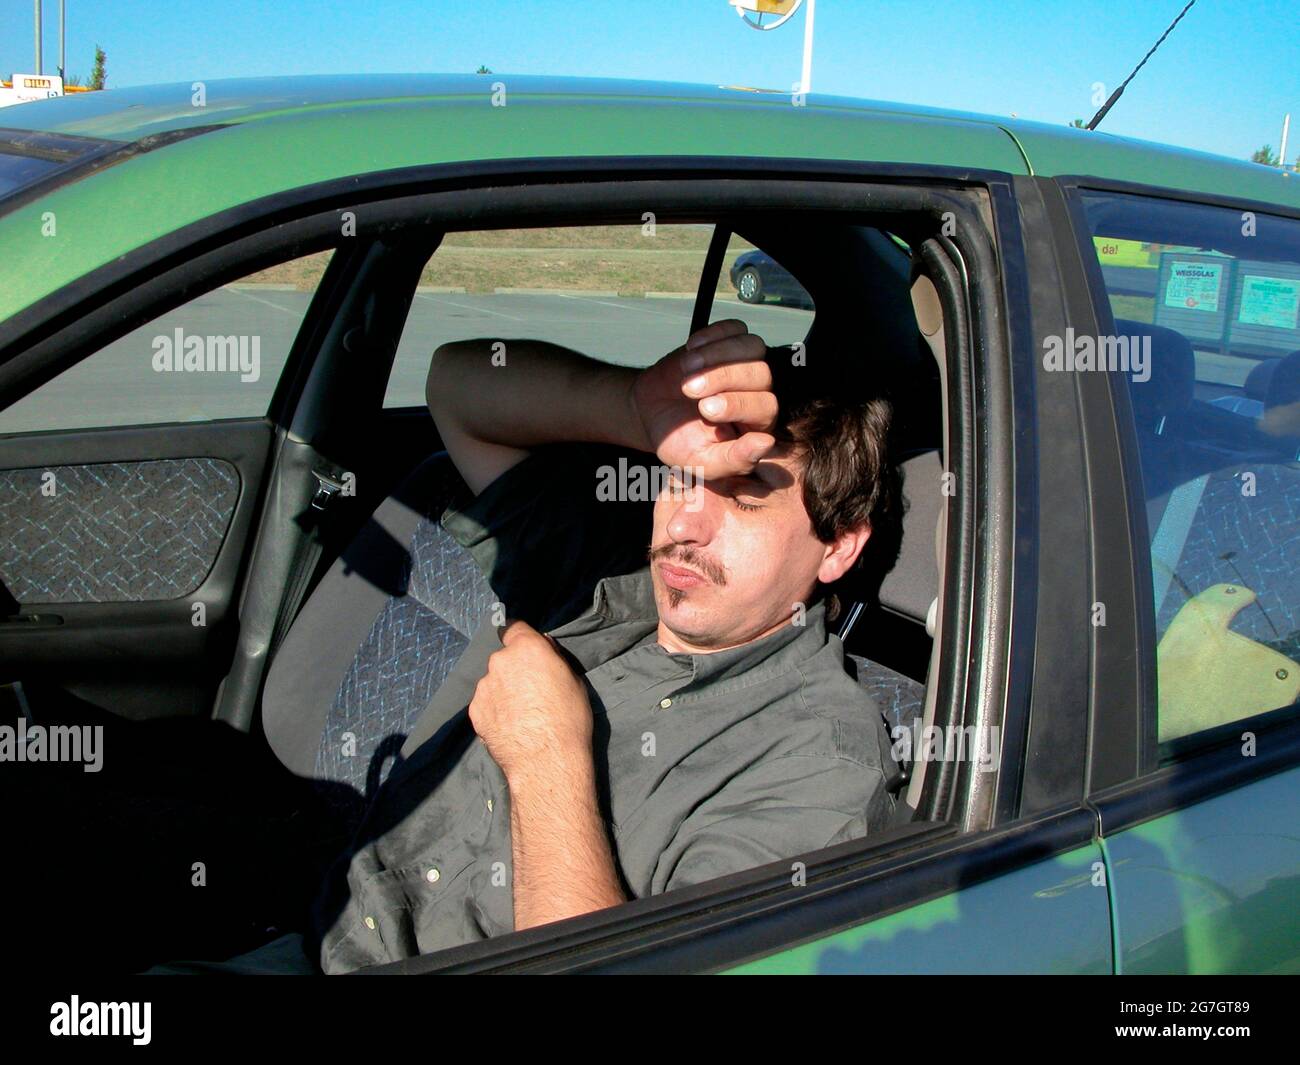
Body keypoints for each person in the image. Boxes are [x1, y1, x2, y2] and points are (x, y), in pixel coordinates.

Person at [300, 318, 903, 973]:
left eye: (744, 498)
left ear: (839, 545)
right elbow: (454, 386)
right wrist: (634, 406)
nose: (684, 524)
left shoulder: (819, 767)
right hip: (322, 923)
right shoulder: (607, 568)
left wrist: (546, 757)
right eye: (682, 475)